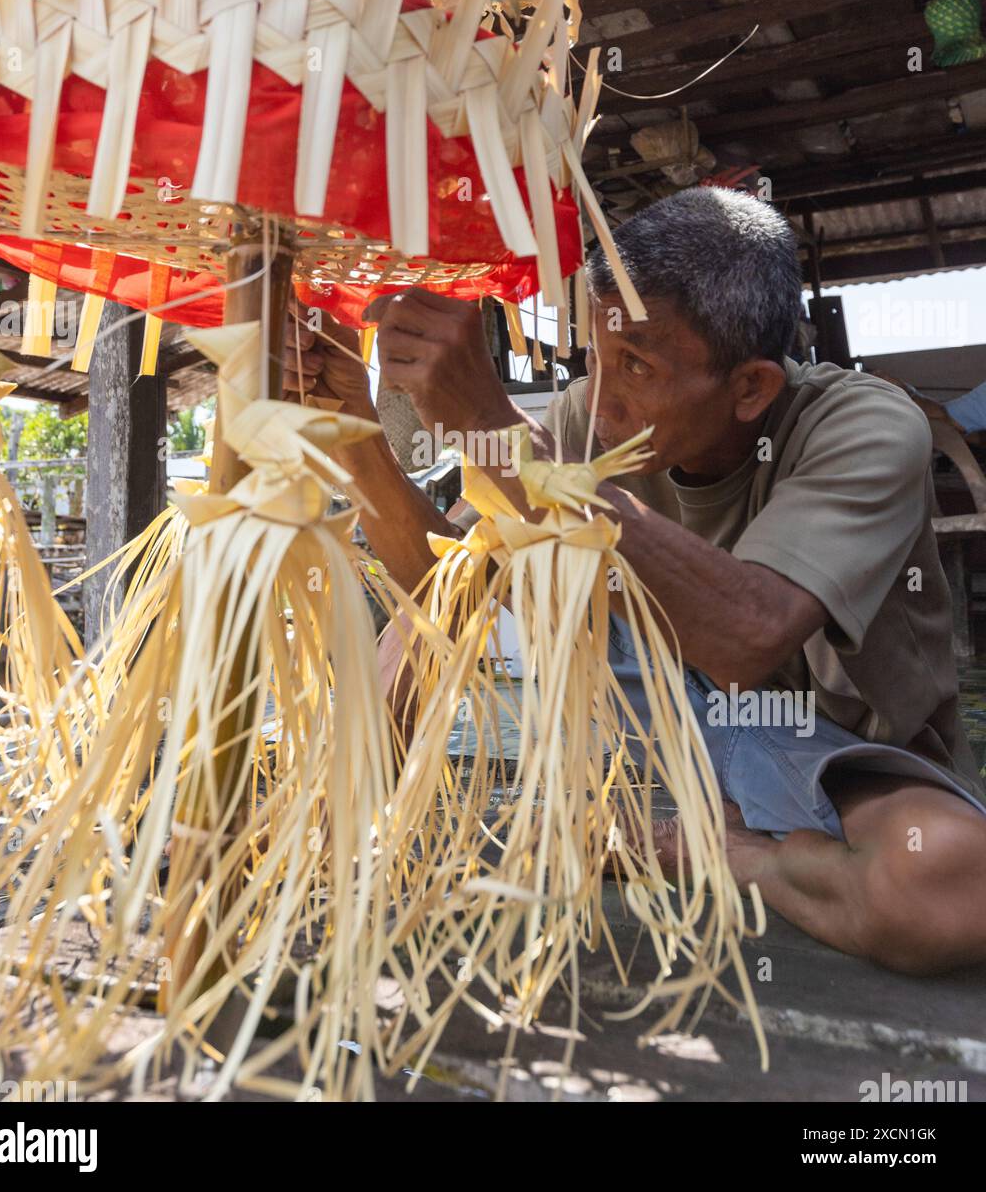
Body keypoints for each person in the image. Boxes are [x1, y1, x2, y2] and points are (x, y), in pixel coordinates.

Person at [285, 186, 986, 976]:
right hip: (666, 721)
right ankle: (323, 845)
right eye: (595, 354)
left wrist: (498, 434)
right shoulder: (587, 419)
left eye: (638, 366)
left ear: (751, 387)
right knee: (448, 592)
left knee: (947, 882)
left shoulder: (865, 426)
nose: (603, 399)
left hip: (823, 750)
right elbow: (439, 583)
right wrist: (351, 439)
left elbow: (747, 638)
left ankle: (722, 851)